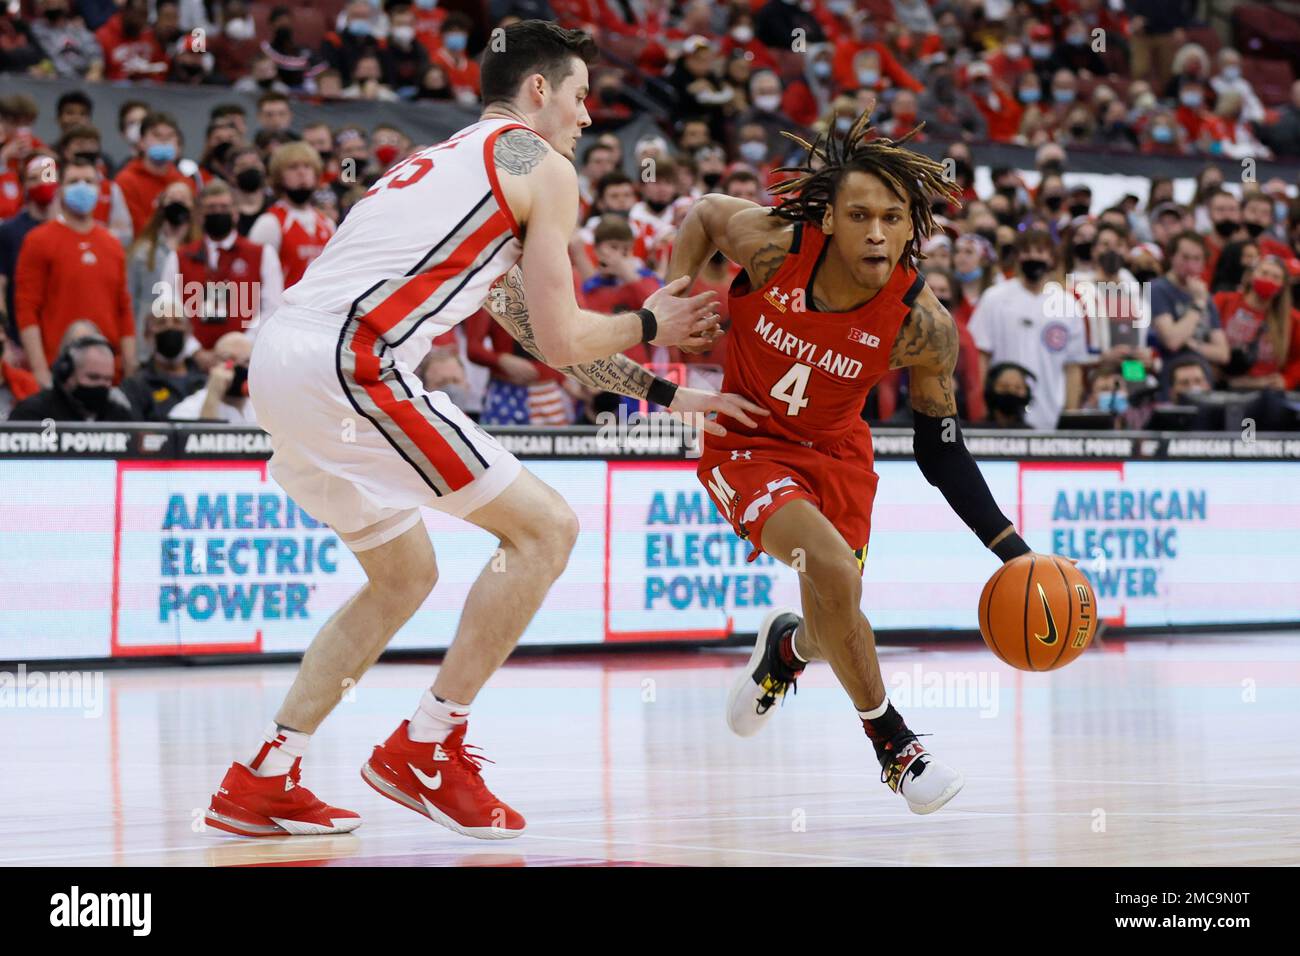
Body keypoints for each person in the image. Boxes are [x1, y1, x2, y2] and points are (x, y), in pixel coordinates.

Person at [205, 19, 758, 841]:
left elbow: (536, 333)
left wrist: (664, 394)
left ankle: (263, 775)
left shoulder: (451, 162)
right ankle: (427, 748)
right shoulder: (543, 165)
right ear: (539, 91)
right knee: (548, 531)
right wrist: (649, 321)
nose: (586, 116)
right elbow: (570, 336)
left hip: (284, 365)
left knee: (402, 577)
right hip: (348, 362)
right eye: (577, 96)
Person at [657, 113, 1050, 816]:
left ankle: (787, 650)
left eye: (891, 218)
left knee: (835, 617)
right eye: (859, 214)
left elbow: (939, 446)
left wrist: (1010, 550)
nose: (875, 231)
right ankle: (895, 746)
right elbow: (708, 214)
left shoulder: (921, 326)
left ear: (910, 228)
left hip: (838, 455)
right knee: (835, 571)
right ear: (830, 219)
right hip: (743, 440)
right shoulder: (775, 249)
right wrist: (675, 291)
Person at [15, 157, 135, 388]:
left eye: (89, 181)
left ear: (100, 189)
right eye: (74, 181)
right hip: (59, 370)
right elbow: (27, 308)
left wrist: (129, 364)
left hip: (108, 372)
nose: (82, 187)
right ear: (60, 189)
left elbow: (123, 309)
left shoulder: (112, 244)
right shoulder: (38, 240)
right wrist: (40, 370)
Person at [969, 228, 1089, 429]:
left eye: (1040, 252)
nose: (1033, 257)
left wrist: (1070, 414)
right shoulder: (994, 297)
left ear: (1052, 258)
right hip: (1001, 411)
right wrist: (981, 407)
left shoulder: (1067, 304)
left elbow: (1073, 366)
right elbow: (981, 355)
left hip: (1049, 412)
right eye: (1027, 251)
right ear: (1018, 257)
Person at [249, 143, 335, 289]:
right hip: (283, 308)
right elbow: (253, 275)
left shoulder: (327, 224)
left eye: (307, 167)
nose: (302, 173)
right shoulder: (270, 223)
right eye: (293, 167)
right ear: (279, 177)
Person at [8, 334, 137, 421]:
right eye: (93, 377)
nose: (102, 385)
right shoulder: (32, 414)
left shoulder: (119, 416)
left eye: (108, 379)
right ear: (67, 373)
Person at [168, 330, 256, 422]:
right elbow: (204, 434)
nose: (239, 367)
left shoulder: (261, 405)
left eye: (246, 361)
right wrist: (213, 394)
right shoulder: (187, 410)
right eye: (229, 359)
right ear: (212, 364)